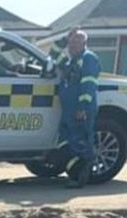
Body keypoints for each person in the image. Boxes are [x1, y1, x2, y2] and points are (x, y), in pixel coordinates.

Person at [52, 28, 100, 189]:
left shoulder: (88, 59)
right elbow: (53, 60)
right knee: (66, 143)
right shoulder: (70, 60)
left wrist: (82, 108)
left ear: (84, 43)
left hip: (80, 110)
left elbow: (88, 85)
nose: (72, 45)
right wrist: (59, 44)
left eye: (76, 42)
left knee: (79, 144)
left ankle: (79, 177)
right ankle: (73, 175)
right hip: (68, 111)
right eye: (71, 42)